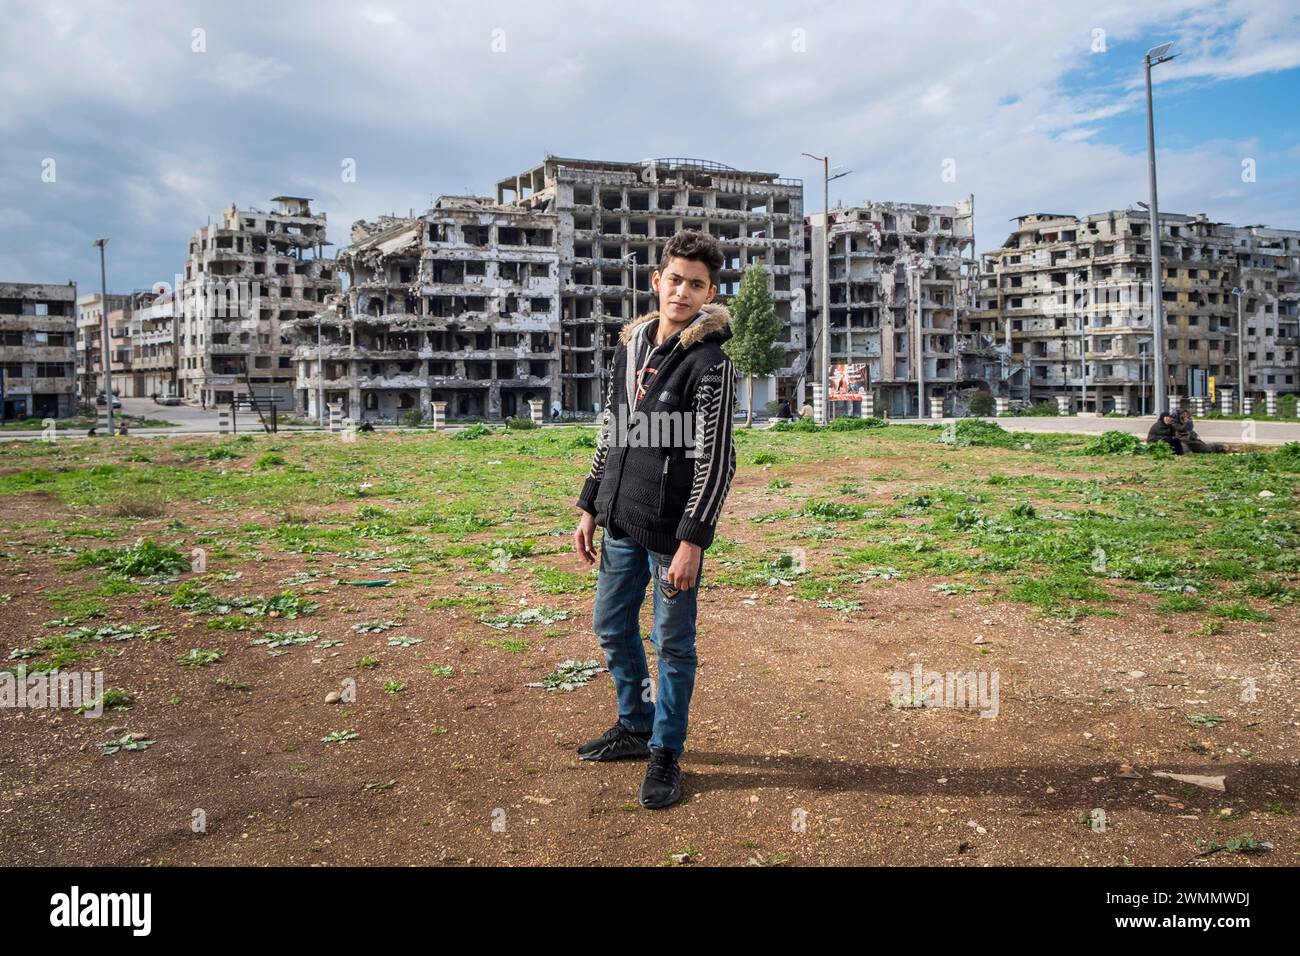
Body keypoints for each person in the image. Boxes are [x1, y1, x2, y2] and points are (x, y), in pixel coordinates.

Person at [572, 229, 737, 810]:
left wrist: (693, 540)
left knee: (673, 646)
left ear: (710, 291)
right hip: (620, 519)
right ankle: (636, 725)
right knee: (611, 626)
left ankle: (666, 751)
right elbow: (613, 425)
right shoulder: (632, 345)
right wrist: (592, 499)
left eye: (696, 284)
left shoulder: (711, 364)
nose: (683, 291)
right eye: (675, 280)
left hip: (671, 536)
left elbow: (717, 458)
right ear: (656, 281)